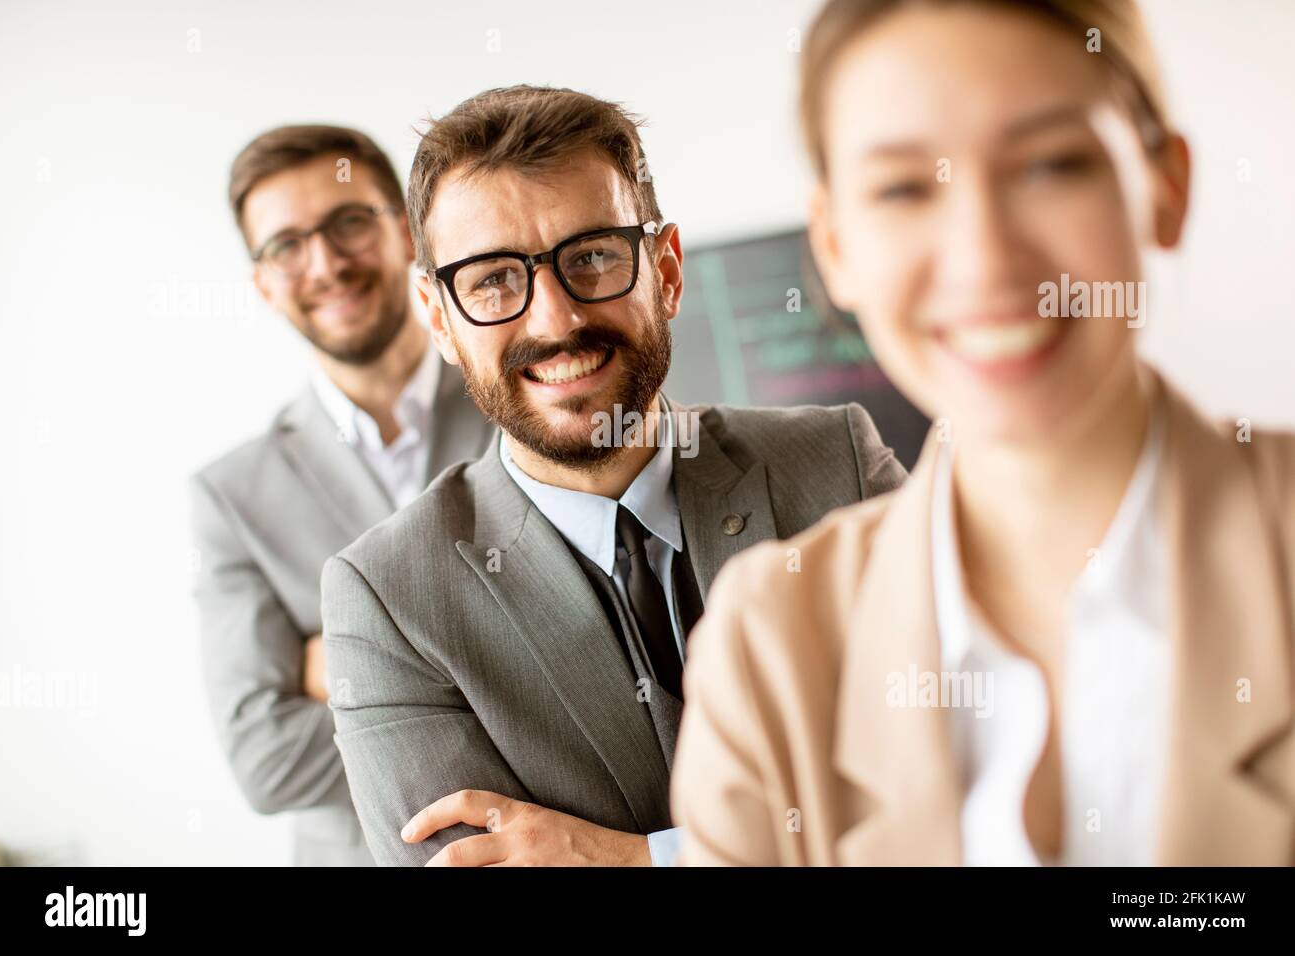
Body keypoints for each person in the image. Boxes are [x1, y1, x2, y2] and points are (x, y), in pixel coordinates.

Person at [670, 0, 1295, 865]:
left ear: (1166, 185)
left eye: (1052, 166)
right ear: (837, 246)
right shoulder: (766, 652)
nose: (985, 260)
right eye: (902, 188)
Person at [319, 85, 907, 866]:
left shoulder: (838, 465)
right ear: (438, 318)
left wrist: (635, 858)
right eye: (494, 279)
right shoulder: (388, 598)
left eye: (593, 256)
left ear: (664, 270)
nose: (555, 321)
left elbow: (961, 796)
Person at [191, 125, 493, 866]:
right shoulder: (231, 497)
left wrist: (363, 670)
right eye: (285, 245)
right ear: (262, 281)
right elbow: (265, 762)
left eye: (347, 222)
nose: (325, 263)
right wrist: (497, 669)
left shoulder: (523, 402)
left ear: (405, 231)